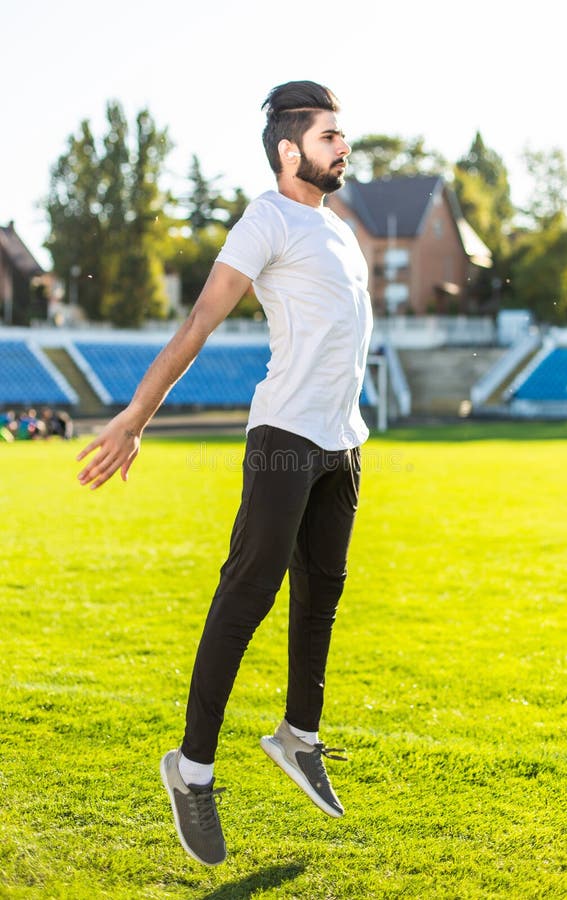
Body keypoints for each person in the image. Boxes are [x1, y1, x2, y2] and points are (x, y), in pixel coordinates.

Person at [76, 80, 373, 867]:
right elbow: (201, 321)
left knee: (323, 598)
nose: (343, 146)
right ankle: (193, 770)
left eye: (343, 136)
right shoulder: (266, 218)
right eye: (329, 137)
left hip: (342, 442)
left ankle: (297, 737)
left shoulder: (338, 230)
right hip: (285, 437)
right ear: (290, 150)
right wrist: (134, 419)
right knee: (248, 593)